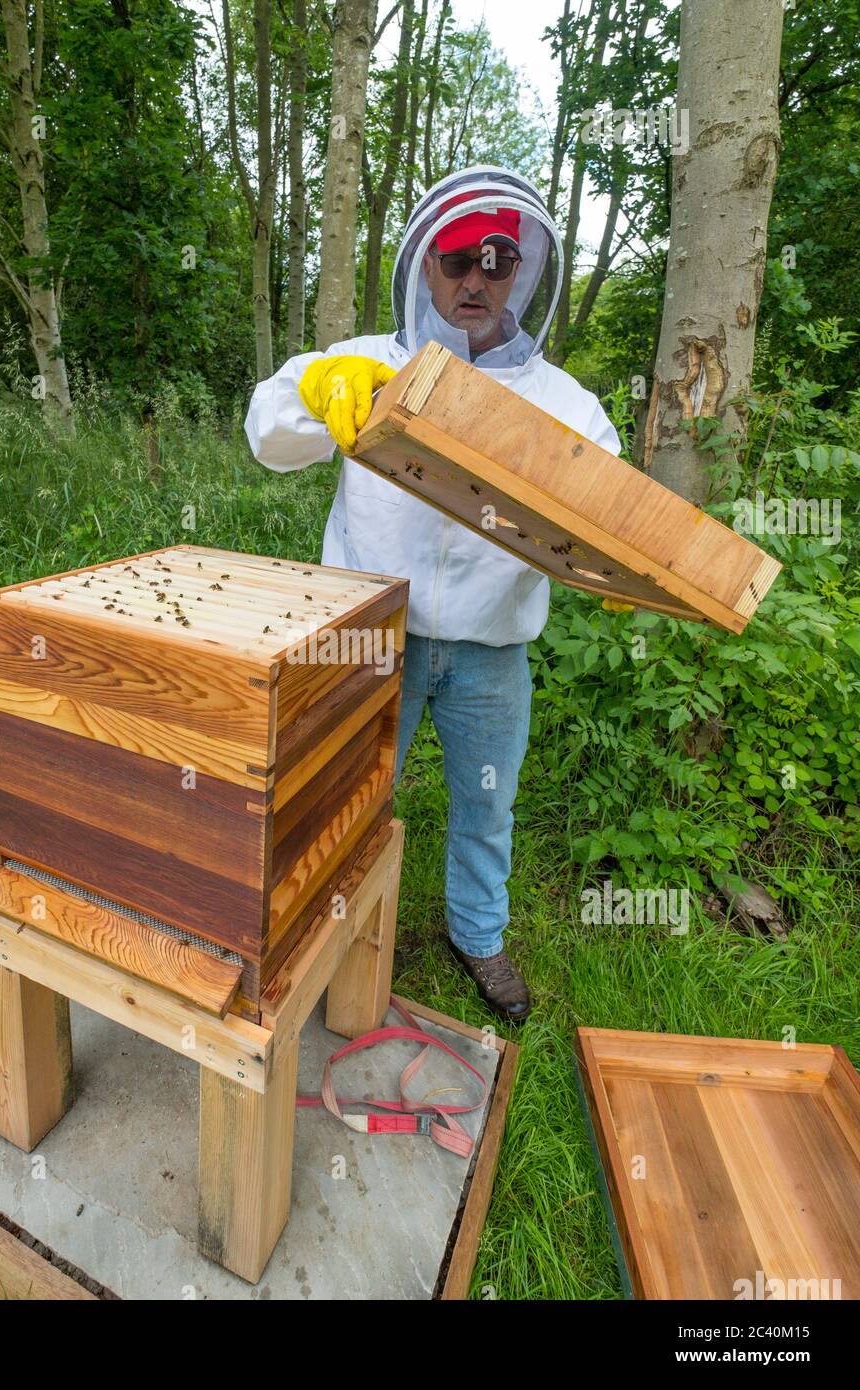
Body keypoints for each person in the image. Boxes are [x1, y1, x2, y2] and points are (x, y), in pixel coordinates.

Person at [244, 166, 623, 1022]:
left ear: (521, 273)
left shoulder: (563, 403)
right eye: (458, 260)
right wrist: (313, 391)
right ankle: (318, 936)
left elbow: (612, 507)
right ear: (426, 267)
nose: (475, 279)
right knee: (340, 797)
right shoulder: (371, 363)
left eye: (497, 260)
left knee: (487, 804)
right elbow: (267, 431)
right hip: (370, 640)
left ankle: (477, 935)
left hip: (492, 652)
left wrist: (623, 568)